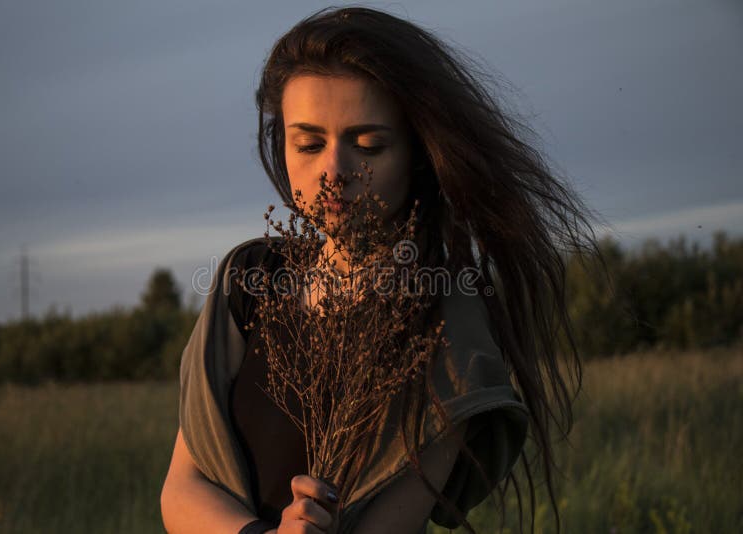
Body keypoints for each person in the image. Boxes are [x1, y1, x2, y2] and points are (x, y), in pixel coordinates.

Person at [161, 6, 608, 534]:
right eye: (307, 143)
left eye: (368, 145)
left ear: (419, 152)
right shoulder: (250, 280)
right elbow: (181, 489)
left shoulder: (445, 323)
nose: (333, 172)